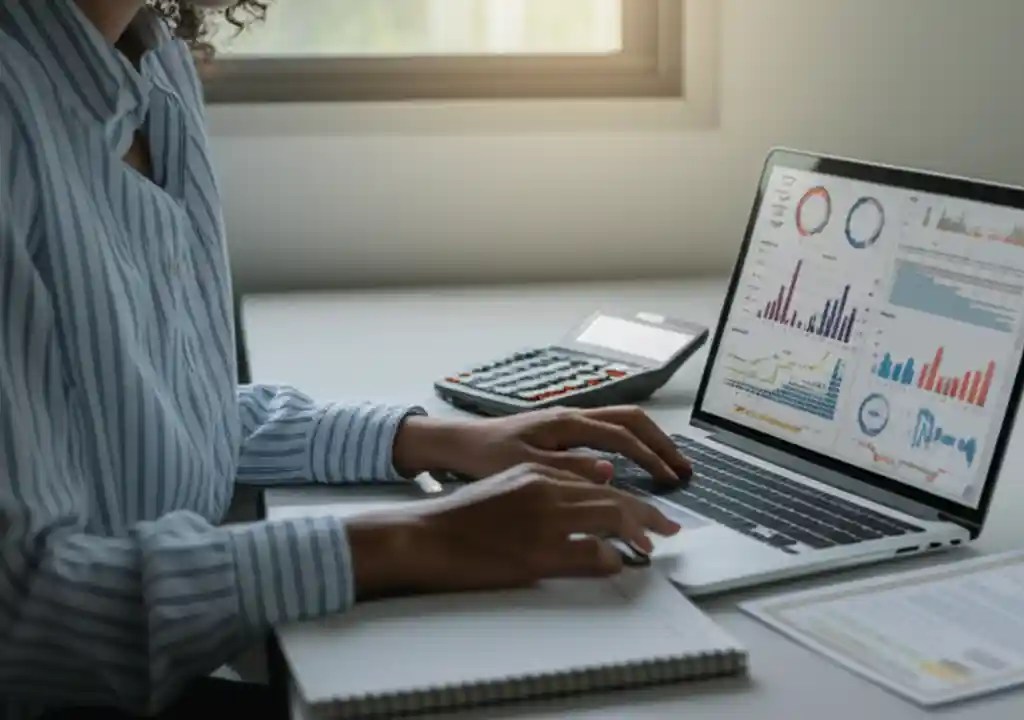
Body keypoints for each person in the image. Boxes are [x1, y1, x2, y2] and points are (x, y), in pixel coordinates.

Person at [0, 1, 693, 717]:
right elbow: (23, 617)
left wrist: (430, 439)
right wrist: (416, 540)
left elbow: (150, 417)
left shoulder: (156, 65)